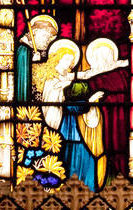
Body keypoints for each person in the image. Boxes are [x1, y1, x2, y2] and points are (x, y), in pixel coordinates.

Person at [82, 37, 133, 191]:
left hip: (129, 120)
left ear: (113, 56)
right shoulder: (94, 79)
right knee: (111, 155)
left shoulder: (124, 74)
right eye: (99, 56)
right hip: (108, 123)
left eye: (107, 55)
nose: (103, 59)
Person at [40, 38, 103, 188]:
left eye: (72, 61)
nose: (70, 63)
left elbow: (87, 75)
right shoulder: (51, 81)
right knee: (72, 161)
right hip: (64, 128)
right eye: (67, 59)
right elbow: (63, 105)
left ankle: (86, 197)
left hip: (73, 127)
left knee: (85, 161)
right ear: (57, 58)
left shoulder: (69, 79)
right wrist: (89, 101)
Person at [16, 14, 60, 104]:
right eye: (46, 36)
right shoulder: (24, 49)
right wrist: (32, 62)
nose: (48, 39)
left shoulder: (48, 51)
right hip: (29, 98)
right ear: (34, 33)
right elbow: (21, 70)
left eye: (50, 37)